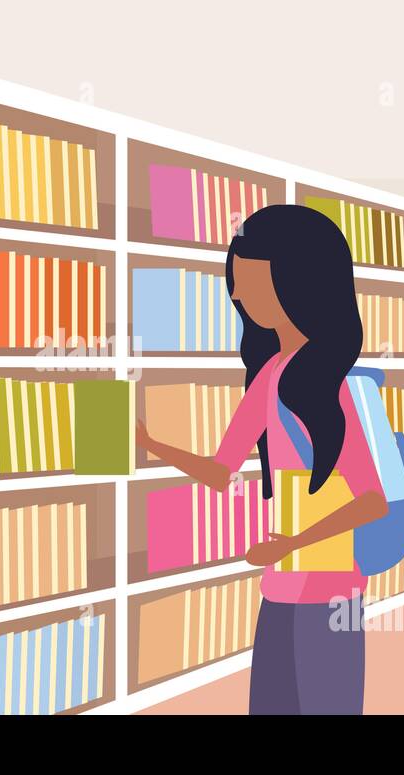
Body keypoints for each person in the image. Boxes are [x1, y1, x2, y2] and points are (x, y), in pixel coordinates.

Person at [136, 204, 388, 714]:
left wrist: (293, 542)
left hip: (331, 596)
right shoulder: (268, 374)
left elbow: (373, 501)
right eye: (237, 281)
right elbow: (219, 471)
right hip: (280, 591)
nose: (237, 294)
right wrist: (152, 446)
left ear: (300, 284)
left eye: (252, 282)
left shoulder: (328, 388)